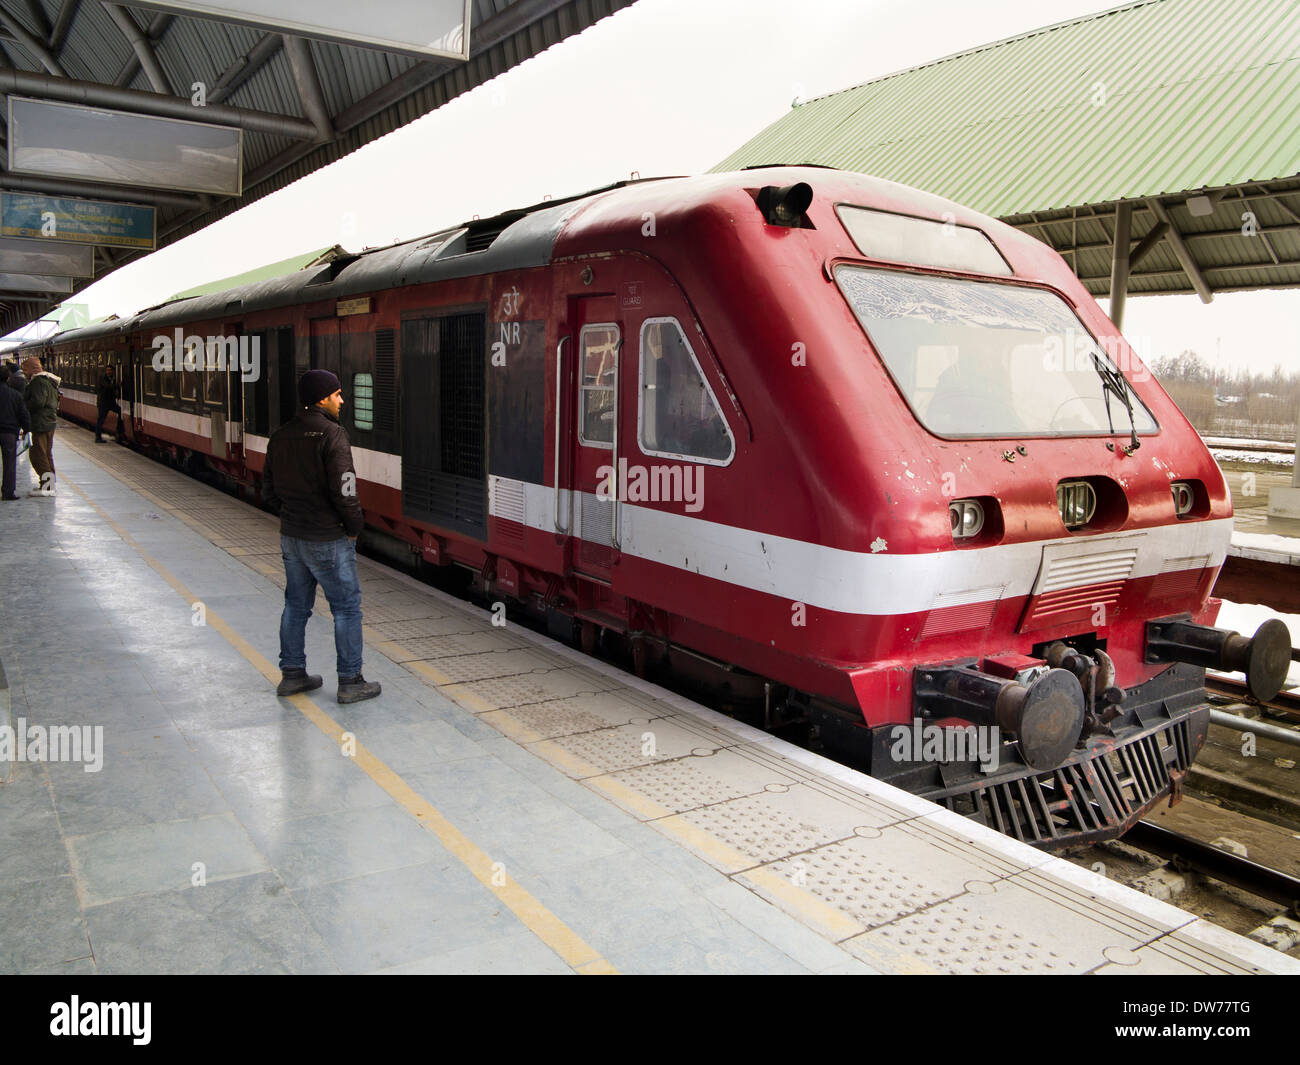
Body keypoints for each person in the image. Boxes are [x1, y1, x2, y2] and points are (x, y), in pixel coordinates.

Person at [262, 369, 380, 704]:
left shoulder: (281, 435)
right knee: (346, 608)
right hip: (327, 538)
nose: (342, 400)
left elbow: (268, 491)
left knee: (296, 606)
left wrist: (291, 515)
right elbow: (346, 491)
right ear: (321, 398)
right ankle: (351, 680)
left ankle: (293, 675)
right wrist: (354, 528)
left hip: (292, 537)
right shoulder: (333, 435)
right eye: (337, 394)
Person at [21, 356, 60, 497]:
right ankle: (49, 485)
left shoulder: (37, 382)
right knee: (46, 454)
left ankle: (47, 488)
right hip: (49, 422)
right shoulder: (48, 381)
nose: (24, 372)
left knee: (38, 455)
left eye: (25, 369)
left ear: (33, 368)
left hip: (41, 423)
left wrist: (23, 406)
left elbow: (38, 402)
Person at [0, 365, 31, 501]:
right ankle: (8, 492)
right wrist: (27, 430)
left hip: (8, 431)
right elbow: (23, 414)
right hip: (9, 433)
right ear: (8, 378)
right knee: (9, 463)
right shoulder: (15, 395)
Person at [94, 365, 125, 443]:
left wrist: (117, 394)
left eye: (110, 370)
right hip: (103, 403)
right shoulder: (102, 378)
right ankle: (98, 437)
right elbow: (107, 386)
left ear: (112, 371)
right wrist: (117, 385)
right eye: (107, 370)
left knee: (120, 411)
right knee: (101, 420)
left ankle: (119, 430)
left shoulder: (113, 378)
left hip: (111, 402)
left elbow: (113, 389)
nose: (109, 371)